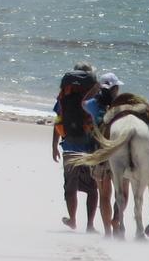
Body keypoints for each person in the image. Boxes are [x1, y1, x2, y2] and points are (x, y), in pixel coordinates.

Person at [51, 66, 100, 231]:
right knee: (92, 188)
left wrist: (53, 146)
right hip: (89, 149)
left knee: (70, 187)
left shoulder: (64, 95)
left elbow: (58, 120)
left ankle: (72, 219)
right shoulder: (93, 98)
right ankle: (90, 225)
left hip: (69, 147)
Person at [90, 72, 122, 231]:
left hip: (100, 155)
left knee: (104, 196)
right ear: (115, 88)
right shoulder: (122, 107)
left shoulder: (92, 105)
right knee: (122, 193)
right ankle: (117, 219)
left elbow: (82, 105)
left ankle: (108, 231)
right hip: (119, 156)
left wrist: (93, 90)